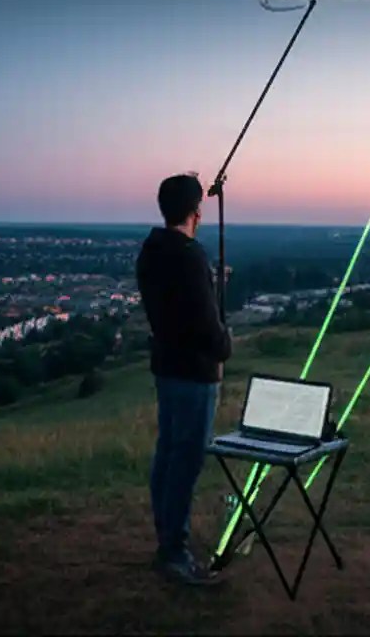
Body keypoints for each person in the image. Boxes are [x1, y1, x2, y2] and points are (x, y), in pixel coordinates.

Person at [135, 173, 233, 586]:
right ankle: (174, 551)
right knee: (186, 461)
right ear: (197, 211)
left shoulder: (152, 250)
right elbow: (206, 326)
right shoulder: (191, 257)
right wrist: (225, 346)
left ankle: (166, 539)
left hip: (167, 367)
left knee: (169, 454)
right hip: (194, 372)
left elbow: (175, 307)